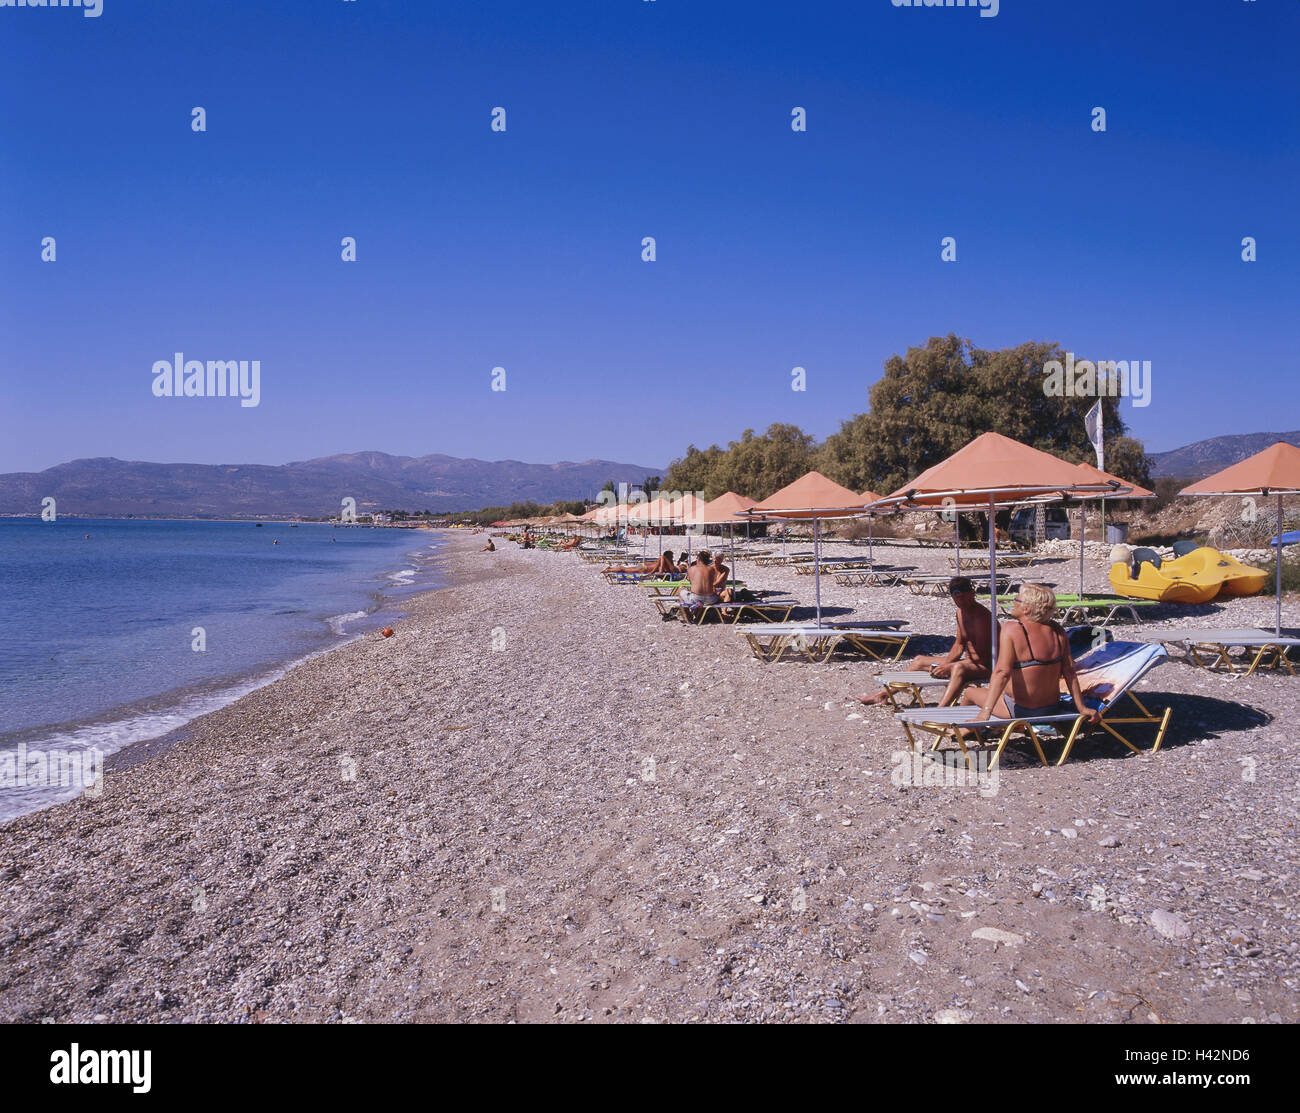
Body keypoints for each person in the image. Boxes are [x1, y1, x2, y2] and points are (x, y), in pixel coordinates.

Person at [962, 583, 1101, 724]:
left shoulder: (1012, 629)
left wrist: (985, 713)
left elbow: (1001, 673)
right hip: (1051, 709)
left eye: (1017, 599)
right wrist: (1082, 708)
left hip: (1021, 711)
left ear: (1027, 609)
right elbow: (1070, 672)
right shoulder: (1057, 631)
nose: (1013, 601)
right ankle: (987, 730)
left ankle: (959, 732)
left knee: (969, 693)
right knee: (1008, 686)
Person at [857, 576, 997, 707]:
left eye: (963, 597)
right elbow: (959, 645)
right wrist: (946, 664)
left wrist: (949, 667)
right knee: (919, 661)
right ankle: (882, 695)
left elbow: (982, 658)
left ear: (972, 593)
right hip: (969, 662)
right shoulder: (961, 613)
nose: (961, 602)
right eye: (957, 598)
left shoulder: (982, 618)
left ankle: (940, 710)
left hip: (987, 666)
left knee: (957, 668)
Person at [678, 551, 720, 616]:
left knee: (680, 590)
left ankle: (687, 613)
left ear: (698, 559)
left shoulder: (691, 569)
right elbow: (712, 581)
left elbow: (691, 582)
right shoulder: (712, 569)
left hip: (696, 598)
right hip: (711, 599)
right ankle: (698, 611)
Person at [602, 550, 679, 577]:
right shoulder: (665, 562)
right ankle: (610, 570)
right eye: (671, 556)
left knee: (626, 569)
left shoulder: (665, 563)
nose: (672, 557)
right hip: (644, 568)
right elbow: (662, 557)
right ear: (668, 556)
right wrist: (659, 571)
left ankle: (611, 569)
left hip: (644, 566)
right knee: (624, 569)